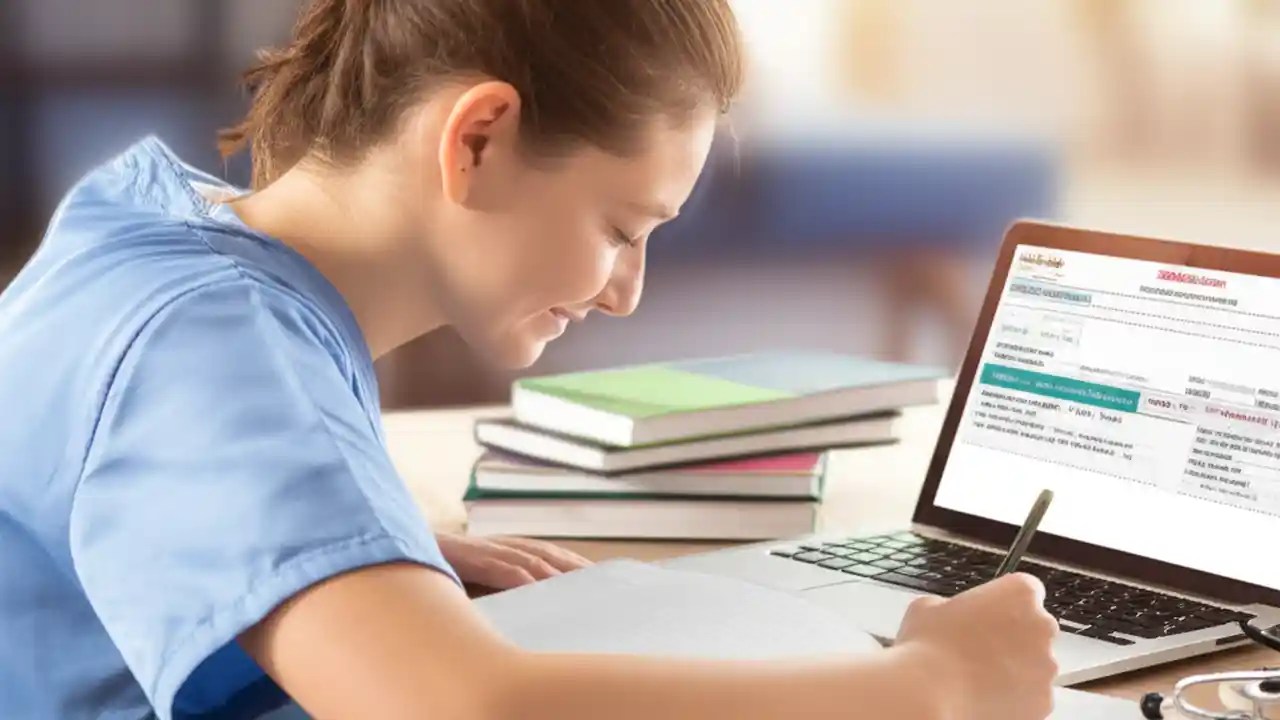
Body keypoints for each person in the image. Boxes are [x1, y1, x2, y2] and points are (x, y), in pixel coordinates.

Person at [0, 1, 1059, 718]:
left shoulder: (162, 232)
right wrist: (929, 689)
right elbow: (456, 707)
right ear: (477, 139)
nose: (626, 290)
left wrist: (349, 555)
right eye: (620, 227)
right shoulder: (213, 344)